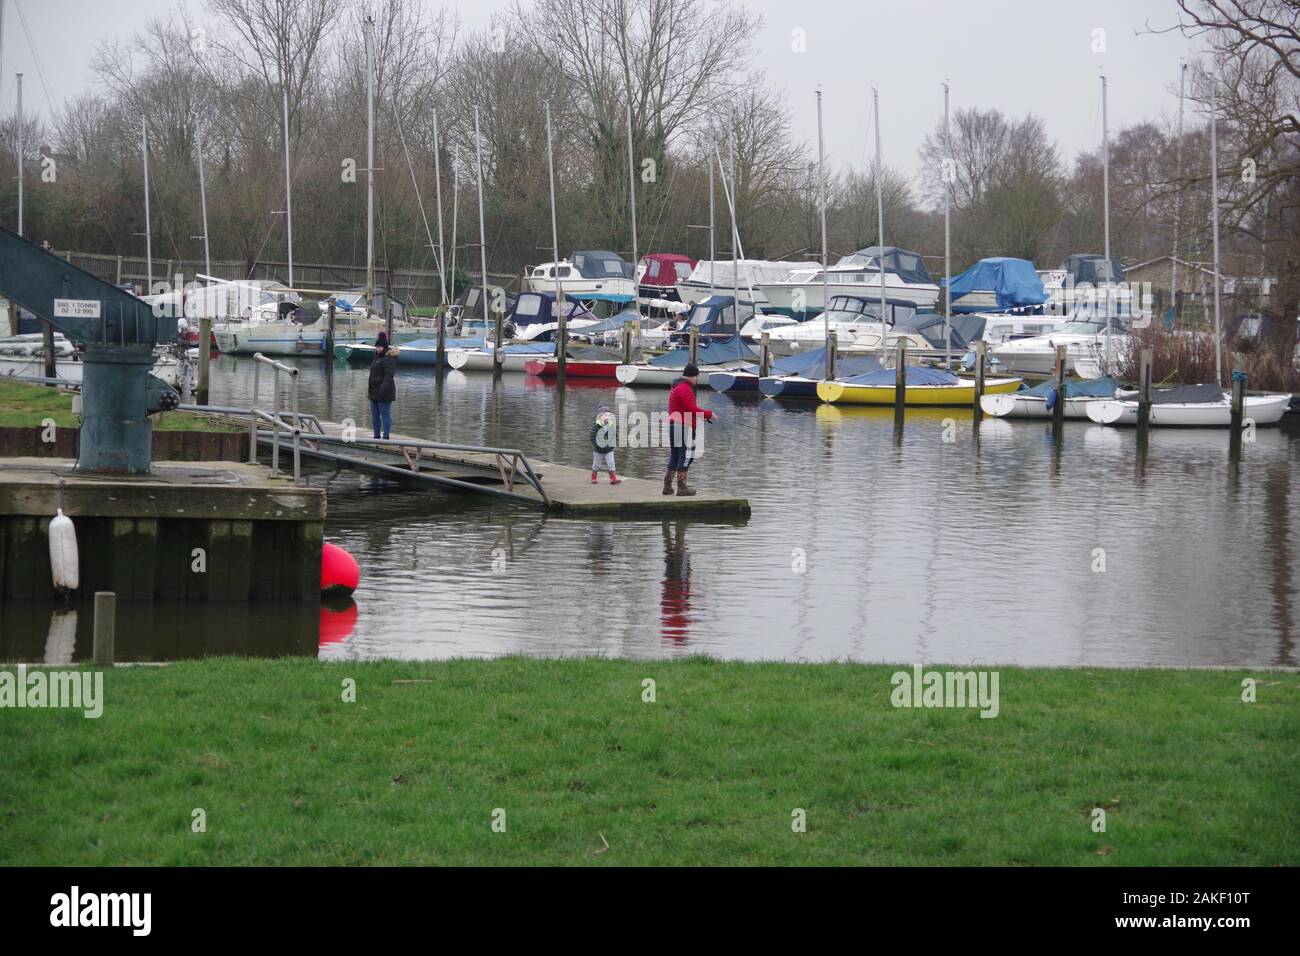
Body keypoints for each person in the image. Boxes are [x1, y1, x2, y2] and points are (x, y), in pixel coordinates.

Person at [665, 363, 715, 496]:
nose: (697, 380)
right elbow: (691, 408)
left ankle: (667, 486)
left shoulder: (677, 386)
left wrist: (701, 417)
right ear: (692, 376)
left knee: (675, 455)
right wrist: (709, 414)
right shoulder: (685, 388)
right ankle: (682, 487)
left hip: (674, 425)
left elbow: (685, 409)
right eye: (697, 377)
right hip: (684, 427)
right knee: (687, 455)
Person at [367, 332, 399, 439]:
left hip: (385, 393)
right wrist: (371, 391)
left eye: (379, 347)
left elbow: (388, 377)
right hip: (373, 392)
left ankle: (386, 437)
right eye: (376, 347)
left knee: (385, 414)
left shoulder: (389, 359)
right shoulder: (377, 358)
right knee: (375, 415)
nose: (378, 349)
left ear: (384, 347)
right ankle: (376, 436)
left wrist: (382, 391)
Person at [590, 404, 621, 485]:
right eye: (605, 415)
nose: (608, 417)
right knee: (596, 465)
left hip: (609, 450)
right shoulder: (596, 426)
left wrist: (612, 445)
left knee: (611, 464)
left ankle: (613, 479)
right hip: (598, 450)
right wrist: (597, 445)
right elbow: (592, 436)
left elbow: (615, 436)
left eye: (609, 415)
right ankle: (593, 477)